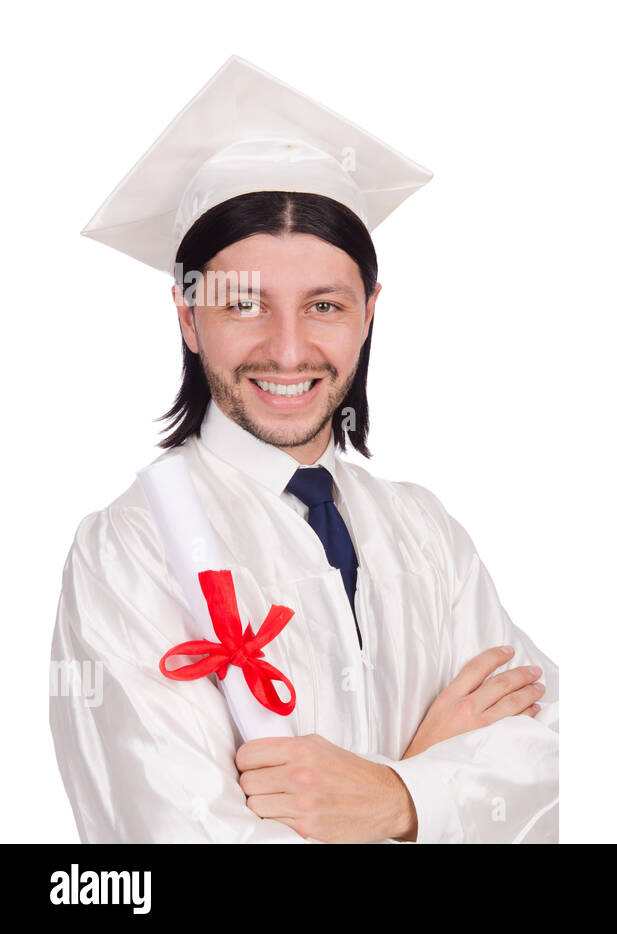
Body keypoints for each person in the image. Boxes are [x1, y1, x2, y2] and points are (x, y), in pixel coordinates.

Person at [49, 57, 558, 843]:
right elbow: (176, 831)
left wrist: (394, 796)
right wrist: (434, 784)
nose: (288, 351)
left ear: (368, 312)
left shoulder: (426, 534)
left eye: (324, 305)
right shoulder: (131, 549)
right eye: (243, 304)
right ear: (188, 316)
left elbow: (555, 757)